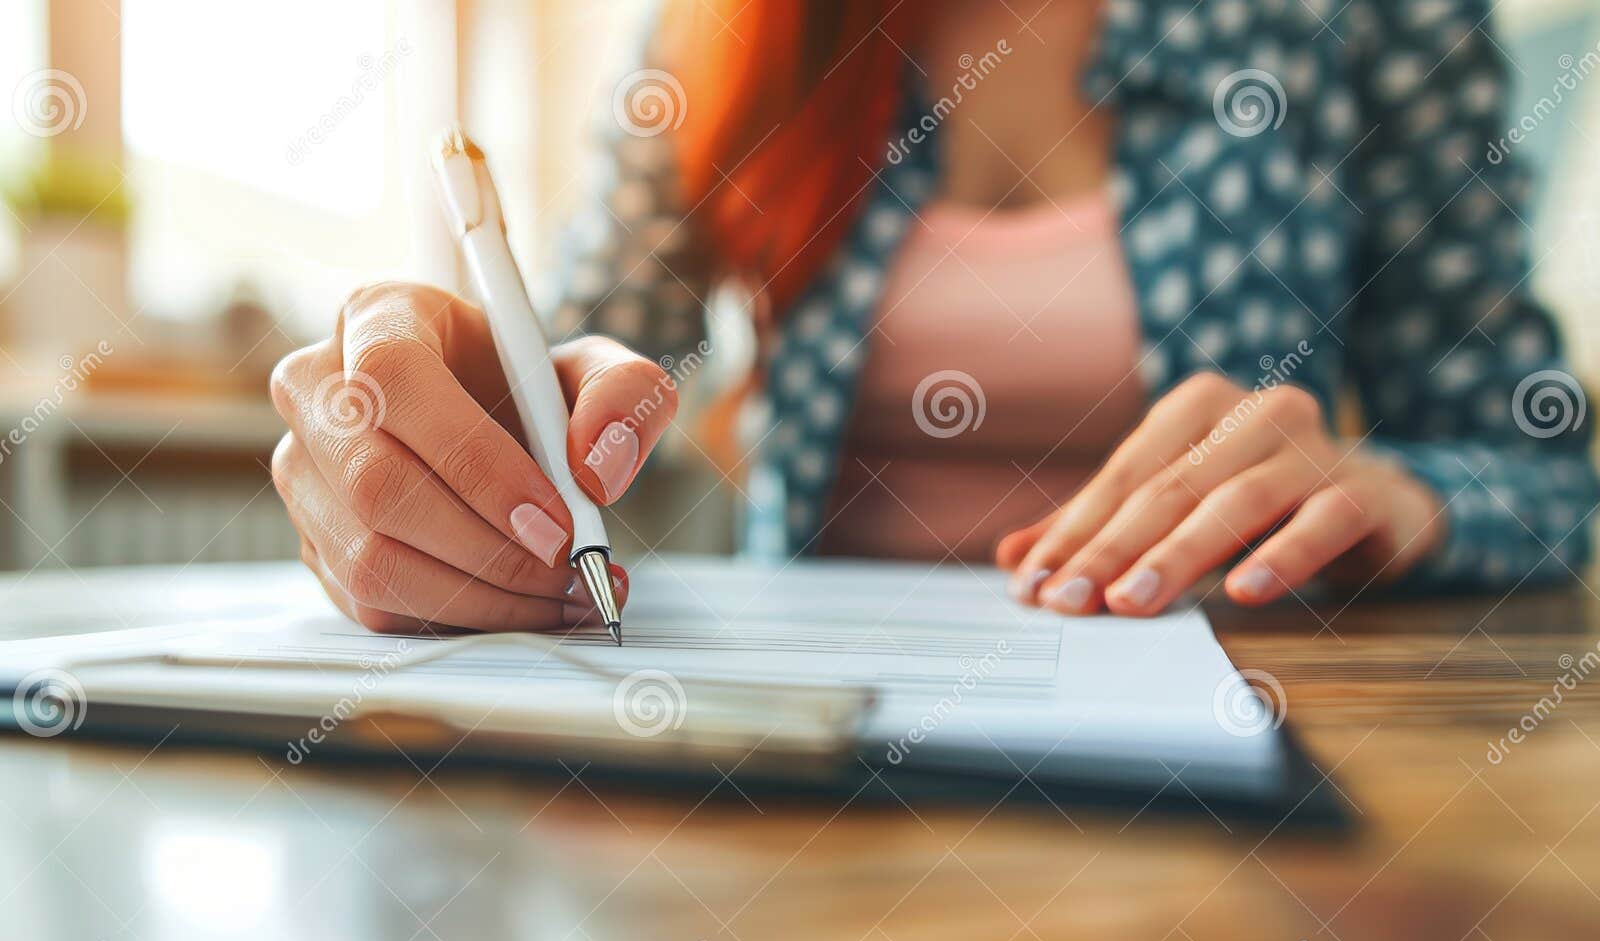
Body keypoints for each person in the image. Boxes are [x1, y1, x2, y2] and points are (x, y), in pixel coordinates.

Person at [269, 0, 1596, 634]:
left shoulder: (1370, 22)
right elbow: (566, 363)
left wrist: (1389, 494)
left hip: (1234, 734)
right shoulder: (720, 39)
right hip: (807, 774)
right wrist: (463, 437)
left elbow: (1541, 475)